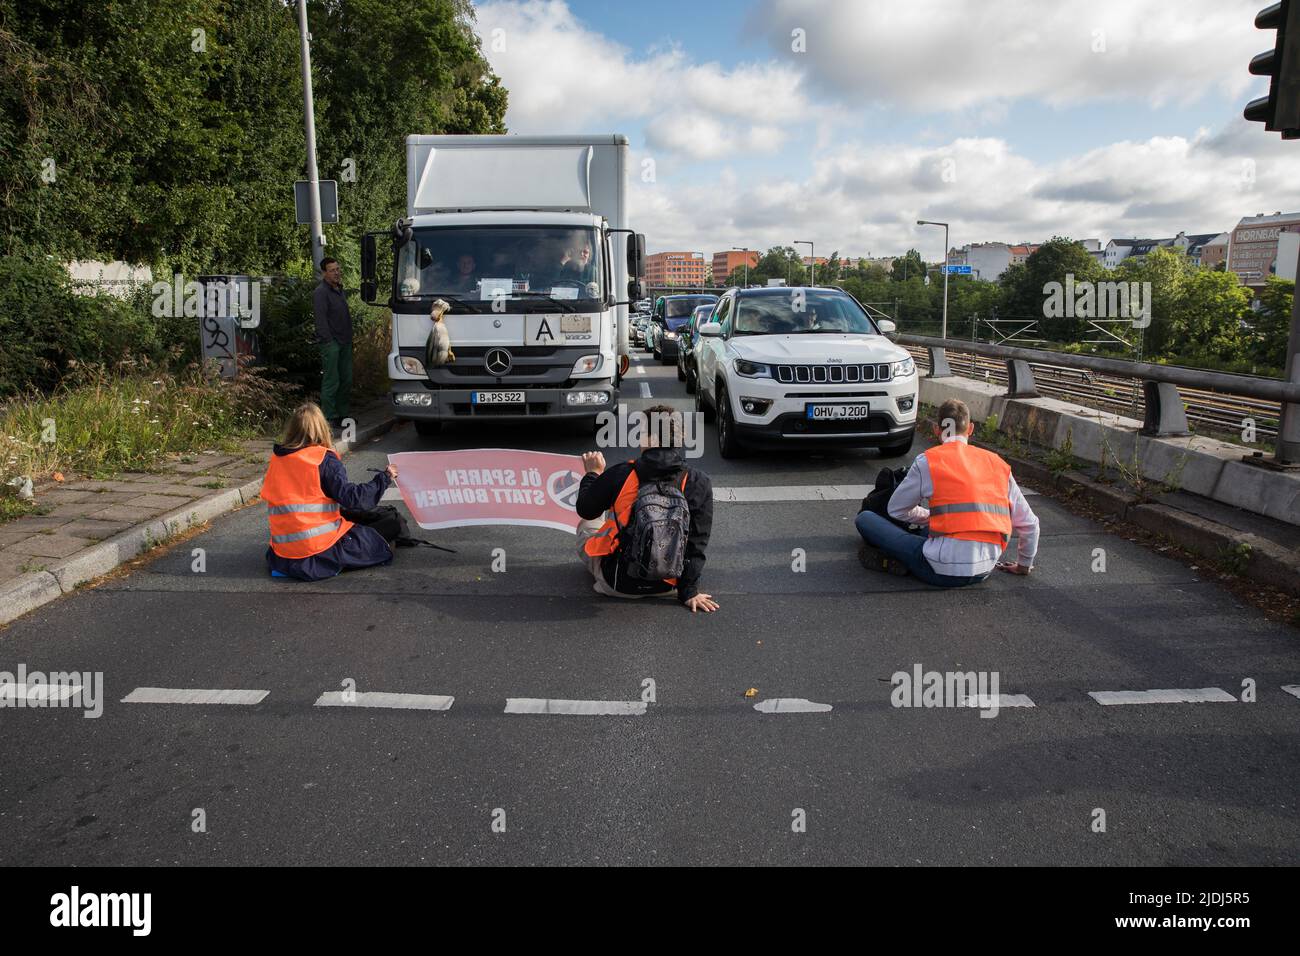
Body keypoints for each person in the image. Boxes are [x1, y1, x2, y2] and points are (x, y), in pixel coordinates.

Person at [855, 398, 1039, 587]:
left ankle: (901, 559)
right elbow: (1031, 523)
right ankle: (905, 556)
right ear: (971, 429)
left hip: (938, 569)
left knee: (866, 519)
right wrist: (1023, 565)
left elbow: (896, 510)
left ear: (937, 430)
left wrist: (929, 516)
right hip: (984, 569)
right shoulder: (997, 463)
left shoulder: (928, 460)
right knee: (927, 531)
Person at [575, 405, 719, 613]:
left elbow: (586, 509)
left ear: (649, 439)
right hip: (669, 586)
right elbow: (697, 542)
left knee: (589, 523)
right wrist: (689, 592)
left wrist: (593, 474)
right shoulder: (698, 481)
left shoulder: (623, 473)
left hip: (618, 584)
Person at [263, 403, 398, 582]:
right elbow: (354, 499)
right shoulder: (322, 459)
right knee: (391, 527)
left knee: (350, 517)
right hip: (317, 549)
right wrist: (385, 478)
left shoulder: (278, 459)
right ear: (322, 428)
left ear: (292, 429)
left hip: (283, 553)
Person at [312, 257, 352, 431]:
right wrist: (328, 341)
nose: (336, 272)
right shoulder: (321, 292)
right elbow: (320, 320)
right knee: (331, 380)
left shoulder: (339, 290)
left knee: (346, 379)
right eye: (332, 270)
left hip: (345, 341)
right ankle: (330, 416)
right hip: (332, 342)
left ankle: (343, 415)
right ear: (324, 273)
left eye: (337, 269)